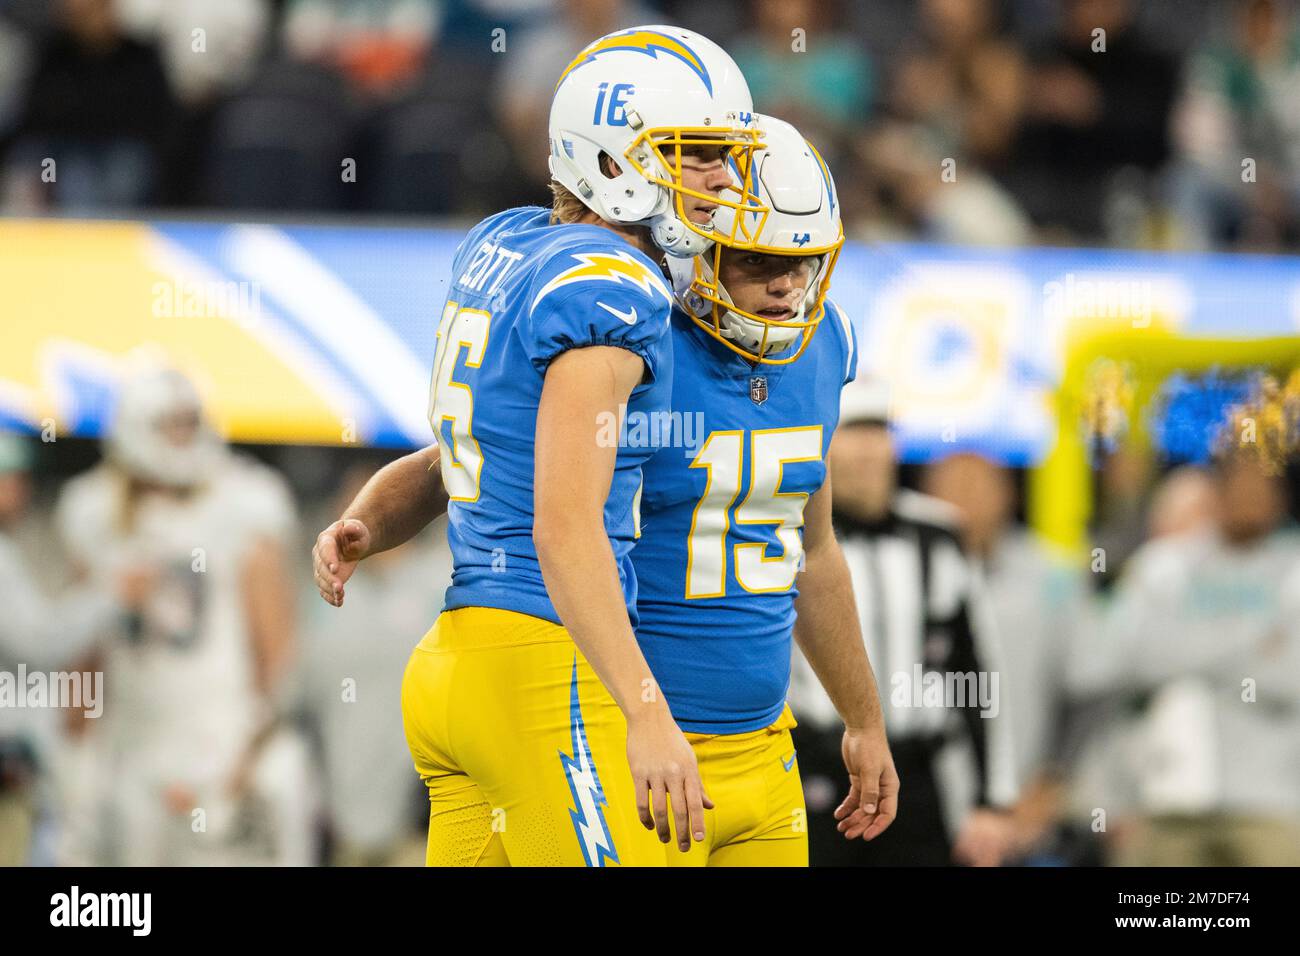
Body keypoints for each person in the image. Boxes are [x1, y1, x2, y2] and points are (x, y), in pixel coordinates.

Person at [322, 26, 766, 867]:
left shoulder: (507, 242)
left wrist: (369, 521)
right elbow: (563, 528)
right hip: (543, 667)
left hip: (455, 669)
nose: (722, 179)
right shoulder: (612, 286)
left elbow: (462, 458)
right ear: (610, 161)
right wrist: (647, 711)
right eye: (695, 155)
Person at [635, 114, 896, 865]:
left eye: (803, 261)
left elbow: (811, 552)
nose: (786, 286)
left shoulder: (827, 347)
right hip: (642, 744)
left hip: (762, 747)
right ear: (695, 246)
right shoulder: (632, 339)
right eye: (757, 260)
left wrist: (863, 719)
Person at [54, 362, 316, 865]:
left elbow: (278, 653)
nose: (180, 438)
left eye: (186, 423)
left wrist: (242, 760)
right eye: (167, 425)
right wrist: (77, 760)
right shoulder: (93, 510)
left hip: (221, 740)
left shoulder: (244, 500)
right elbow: (83, 658)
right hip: (132, 747)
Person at [788, 383, 1019, 866]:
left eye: (879, 432)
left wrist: (991, 799)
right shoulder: (786, 533)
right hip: (818, 768)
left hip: (916, 775)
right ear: (823, 444)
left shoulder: (938, 533)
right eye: (853, 432)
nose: (869, 450)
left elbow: (975, 669)